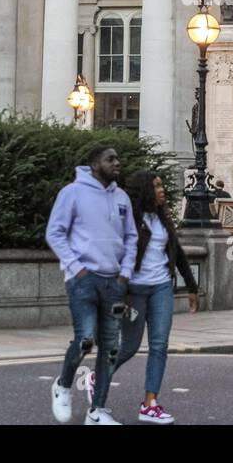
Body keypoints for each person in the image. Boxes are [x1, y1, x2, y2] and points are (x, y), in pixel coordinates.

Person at [90, 171, 200, 425]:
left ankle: (150, 403)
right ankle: (98, 377)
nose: (162, 190)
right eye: (156, 186)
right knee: (129, 346)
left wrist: (191, 287)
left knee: (159, 345)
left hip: (161, 287)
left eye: (161, 185)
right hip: (134, 292)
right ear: (145, 192)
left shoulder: (162, 217)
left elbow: (177, 252)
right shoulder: (128, 220)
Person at [45, 145, 137, 425]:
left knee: (111, 348)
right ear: (95, 164)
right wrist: (77, 269)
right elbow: (55, 232)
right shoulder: (72, 193)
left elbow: (131, 237)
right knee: (85, 340)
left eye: (117, 158)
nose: (117, 163)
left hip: (114, 283)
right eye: (111, 159)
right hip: (83, 281)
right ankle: (62, 385)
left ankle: (96, 411)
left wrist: (125, 273)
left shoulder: (121, 197)